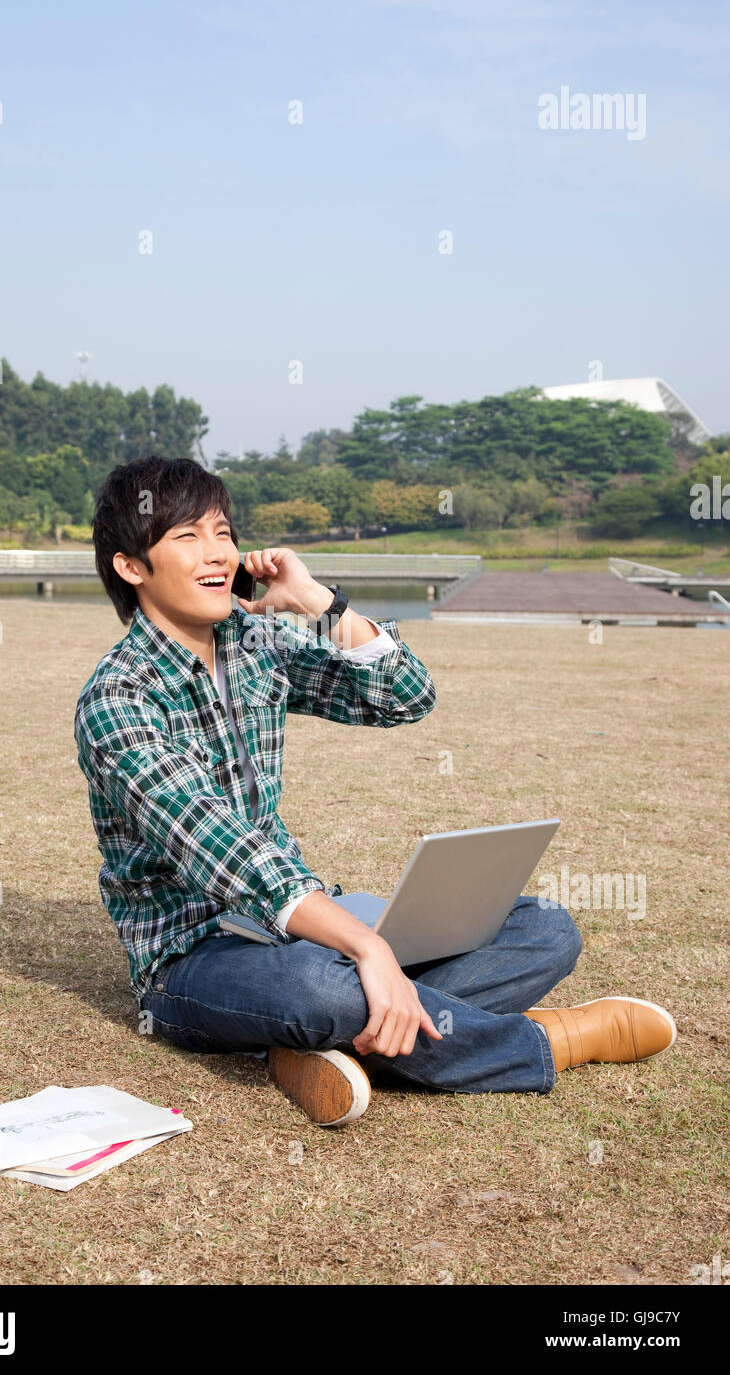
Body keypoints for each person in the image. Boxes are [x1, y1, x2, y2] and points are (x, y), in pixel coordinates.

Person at [74, 454, 677, 1127]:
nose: (217, 554)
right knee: (319, 991)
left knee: (546, 930)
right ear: (132, 565)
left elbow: (405, 697)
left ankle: (303, 1044)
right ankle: (547, 1042)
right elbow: (228, 851)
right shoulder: (118, 698)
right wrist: (368, 948)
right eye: (187, 538)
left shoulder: (256, 644)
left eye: (222, 532)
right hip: (194, 956)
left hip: (303, 926)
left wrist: (318, 603)